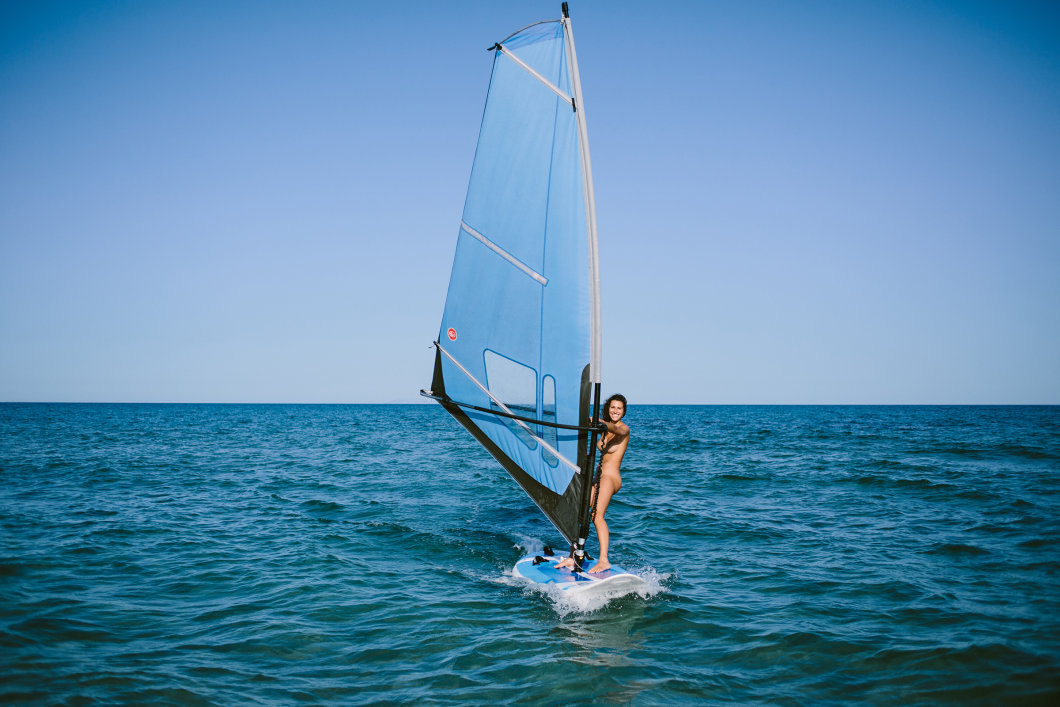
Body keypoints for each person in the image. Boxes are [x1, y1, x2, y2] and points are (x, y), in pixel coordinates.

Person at [555, 393, 629, 573]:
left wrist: (600, 423)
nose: (615, 411)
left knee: (597, 515)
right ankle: (573, 556)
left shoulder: (623, 429)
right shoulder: (603, 429)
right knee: (578, 510)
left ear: (624, 411)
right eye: (613, 407)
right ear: (608, 408)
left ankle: (604, 560)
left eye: (619, 408)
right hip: (598, 476)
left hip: (610, 477)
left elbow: (616, 429)